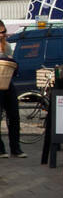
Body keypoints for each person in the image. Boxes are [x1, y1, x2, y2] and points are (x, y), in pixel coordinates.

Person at [0, 21, 24, 159]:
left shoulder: (7, 46)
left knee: (14, 116)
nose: (3, 34)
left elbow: (14, 64)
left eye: (4, 31)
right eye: (1, 32)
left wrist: (11, 62)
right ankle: (1, 149)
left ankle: (16, 148)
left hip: (7, 82)